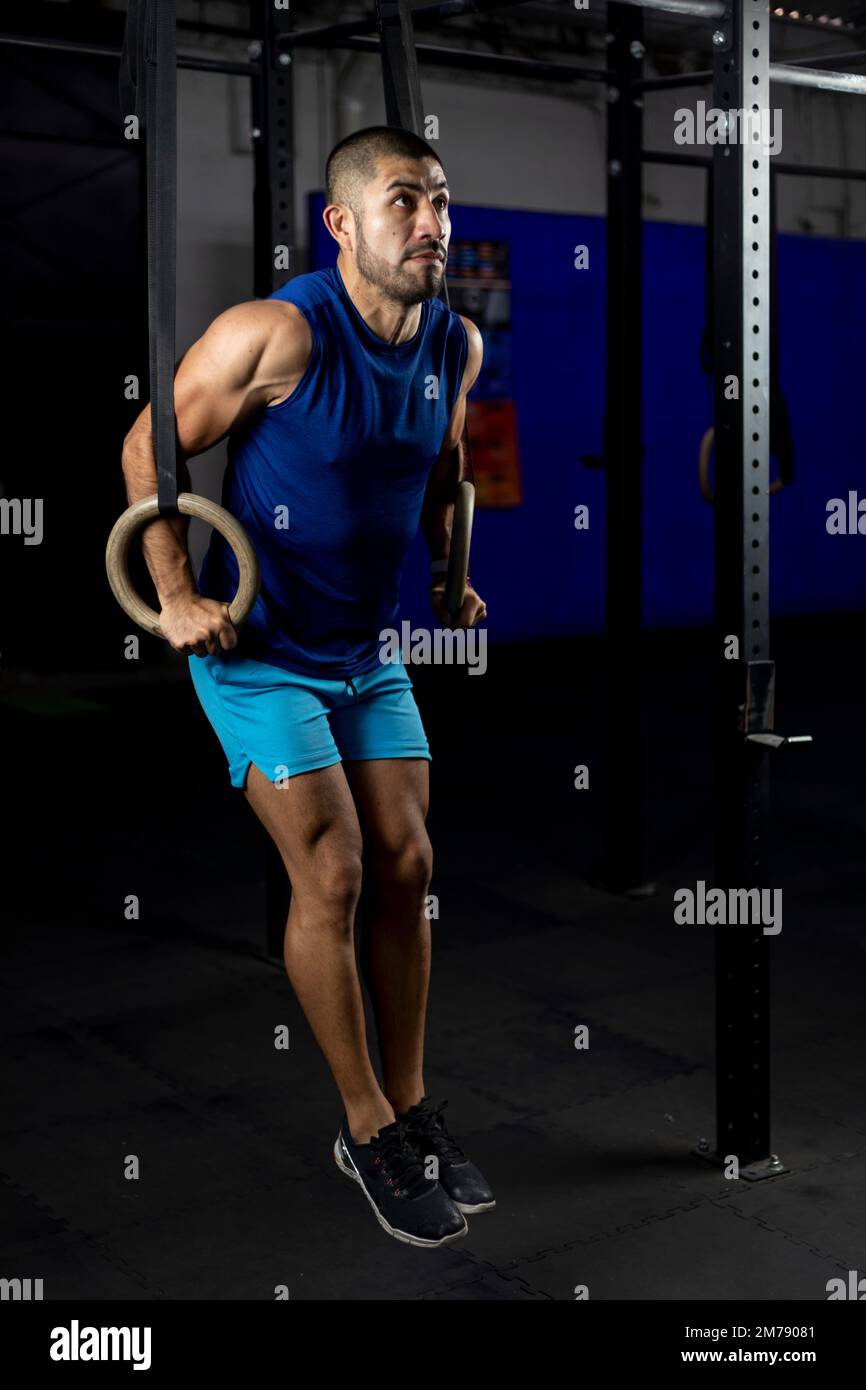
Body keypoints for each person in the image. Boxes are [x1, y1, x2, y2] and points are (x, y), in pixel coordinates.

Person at [121, 126, 494, 1248]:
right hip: (259, 652)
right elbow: (148, 447)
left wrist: (450, 575)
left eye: (437, 200)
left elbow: (445, 469)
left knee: (410, 859)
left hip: (366, 650)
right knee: (330, 867)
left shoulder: (453, 344)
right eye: (401, 203)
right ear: (341, 224)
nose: (429, 224)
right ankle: (365, 1121)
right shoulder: (276, 334)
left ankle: (415, 1101)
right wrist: (178, 592)